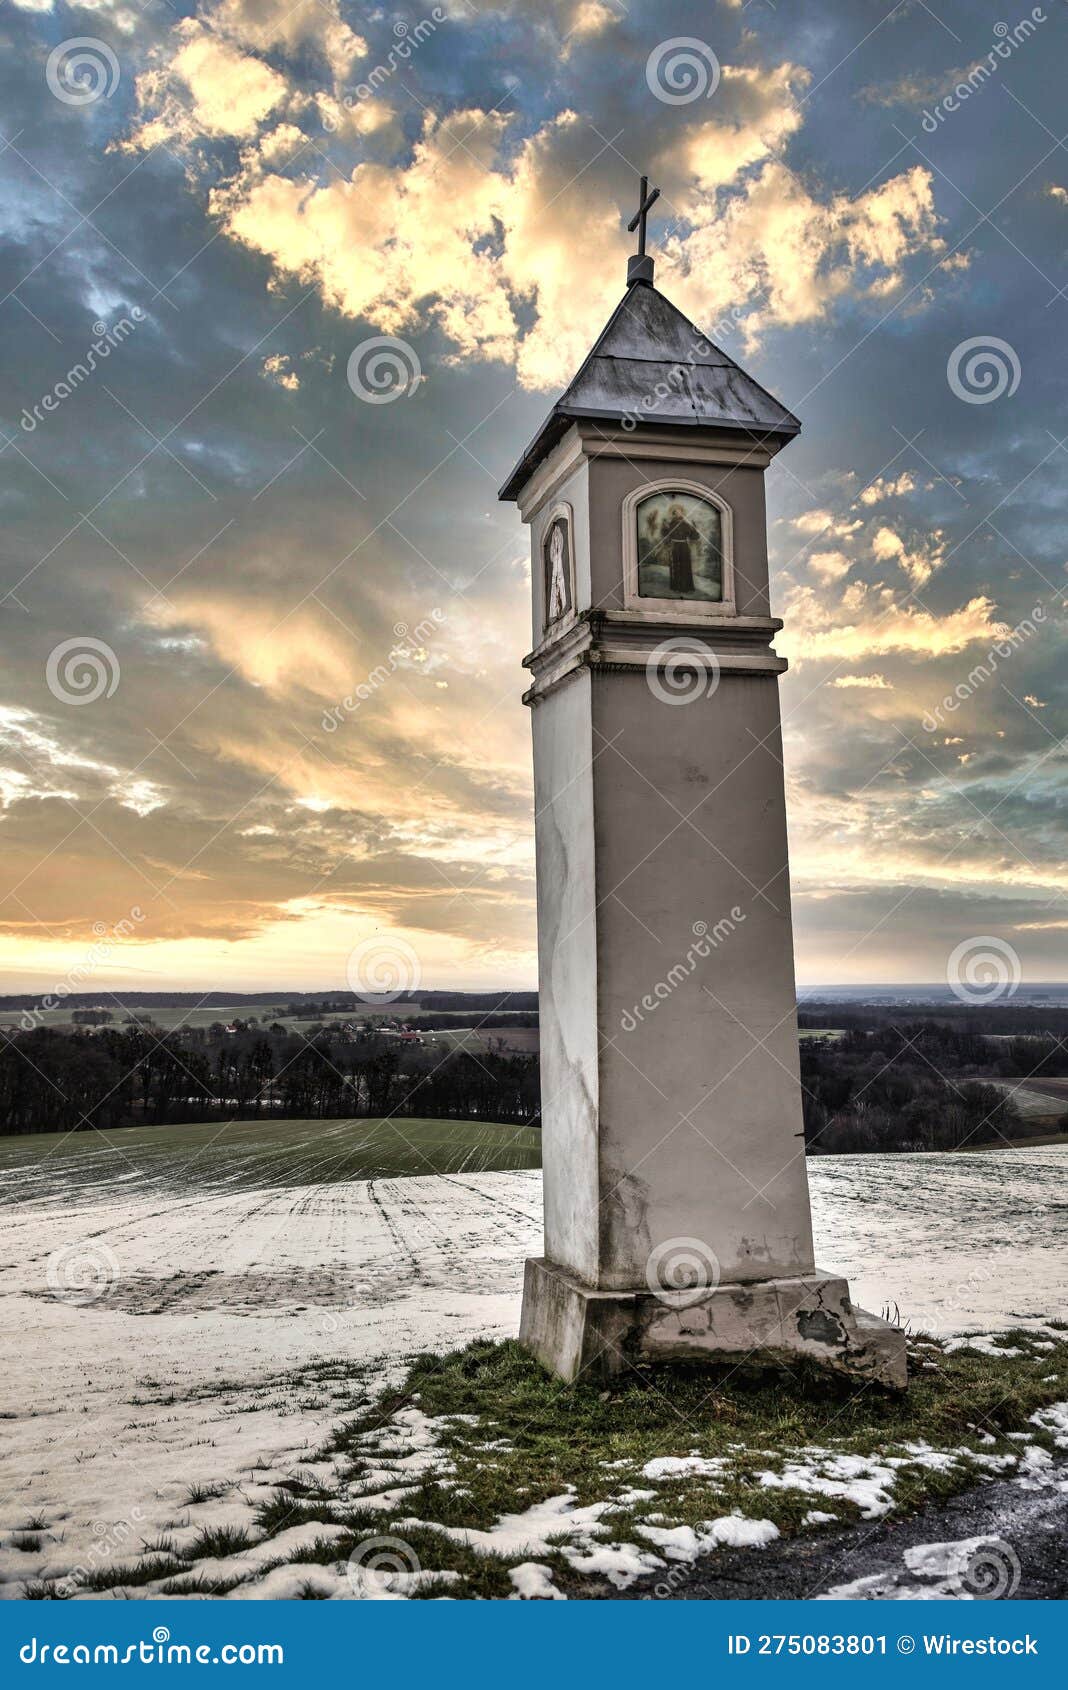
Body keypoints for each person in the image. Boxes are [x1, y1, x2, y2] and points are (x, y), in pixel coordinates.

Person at [661, 502, 699, 594]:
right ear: (674, 513)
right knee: (676, 566)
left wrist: (694, 528)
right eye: (677, 512)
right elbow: (665, 536)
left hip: (684, 547)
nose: (679, 513)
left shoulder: (686, 524)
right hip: (674, 547)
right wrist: (664, 527)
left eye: (680, 511)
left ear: (682, 513)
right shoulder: (670, 524)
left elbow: (694, 537)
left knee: (685, 566)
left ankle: (686, 587)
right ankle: (676, 587)